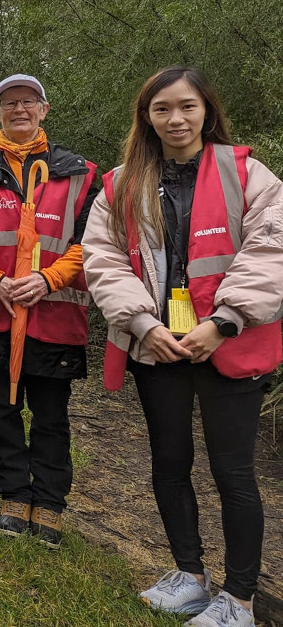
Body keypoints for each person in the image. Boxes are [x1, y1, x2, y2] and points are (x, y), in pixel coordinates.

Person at [83, 67, 283, 627]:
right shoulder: (121, 183)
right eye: (162, 109)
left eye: (187, 107)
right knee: (169, 461)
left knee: (234, 473)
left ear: (207, 111)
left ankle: (239, 600)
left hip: (230, 342)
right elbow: (102, 259)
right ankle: (190, 575)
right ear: (145, 117)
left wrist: (222, 321)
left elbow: (273, 250)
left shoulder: (247, 173)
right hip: (159, 344)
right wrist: (144, 325)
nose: (176, 119)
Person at [0, 74, 97, 547]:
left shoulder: (80, 173)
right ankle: (14, 494)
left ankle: (51, 502)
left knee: (51, 416)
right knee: (1, 411)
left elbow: (92, 242)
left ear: (45, 109)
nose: (19, 109)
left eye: (28, 102)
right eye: (8, 103)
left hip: (54, 316)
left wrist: (48, 278)